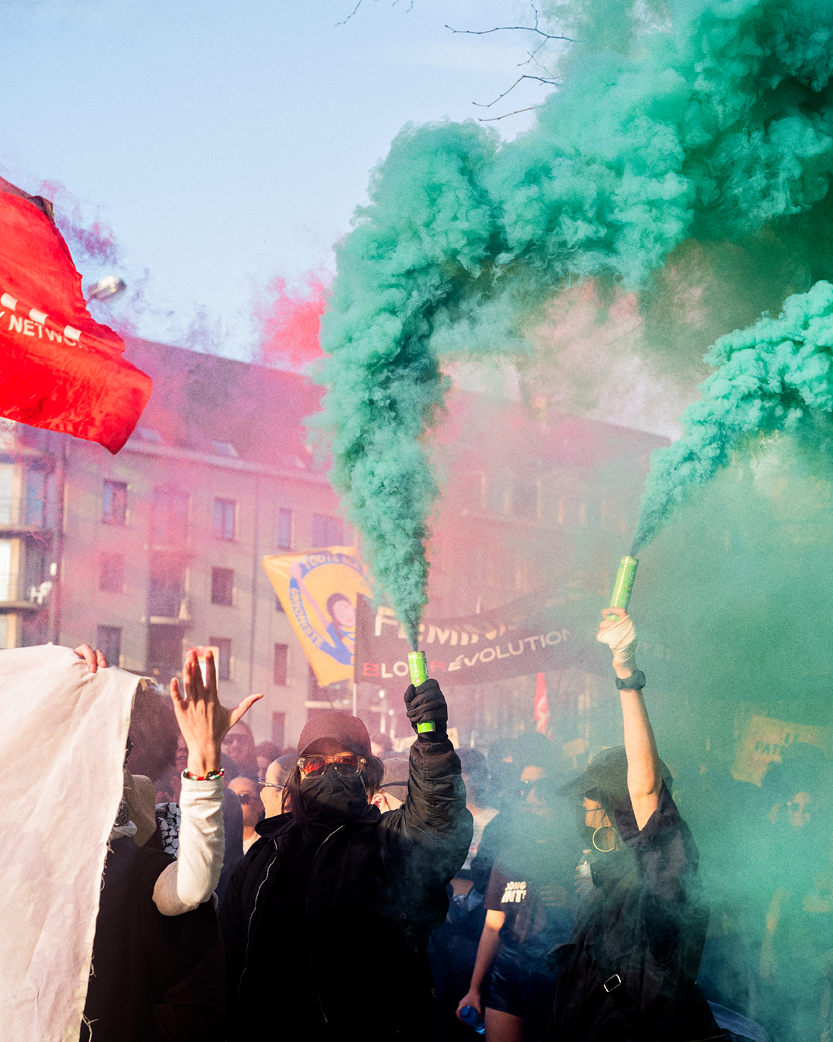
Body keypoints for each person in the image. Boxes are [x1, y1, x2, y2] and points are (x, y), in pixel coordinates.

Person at [219, 677, 472, 1039]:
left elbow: (436, 825)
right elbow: (228, 954)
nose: (330, 771)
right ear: (298, 776)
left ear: (367, 774)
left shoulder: (389, 842)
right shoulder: (265, 854)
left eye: (346, 762)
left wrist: (432, 745)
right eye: (315, 763)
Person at [548, 609, 722, 1041]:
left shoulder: (661, 881)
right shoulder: (608, 885)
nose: (582, 812)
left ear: (614, 806)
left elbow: (644, 793)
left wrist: (626, 672)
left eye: (591, 799)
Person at [77, 644, 262, 1042]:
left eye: (117, 751)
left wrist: (204, 755)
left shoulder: (131, 866)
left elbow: (192, 885)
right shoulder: (23, 856)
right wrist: (60, 681)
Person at [456, 749, 577, 1042]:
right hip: (509, 973)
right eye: (524, 787)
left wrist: (573, 903)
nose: (530, 797)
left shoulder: (578, 851)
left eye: (541, 787)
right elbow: (492, 926)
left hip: (561, 977)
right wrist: (474, 989)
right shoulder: (509, 854)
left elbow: (606, 922)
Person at [228, 775, 265, 854]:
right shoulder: (214, 839)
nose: (234, 802)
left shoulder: (269, 844)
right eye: (230, 797)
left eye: (243, 797)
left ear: (261, 803)